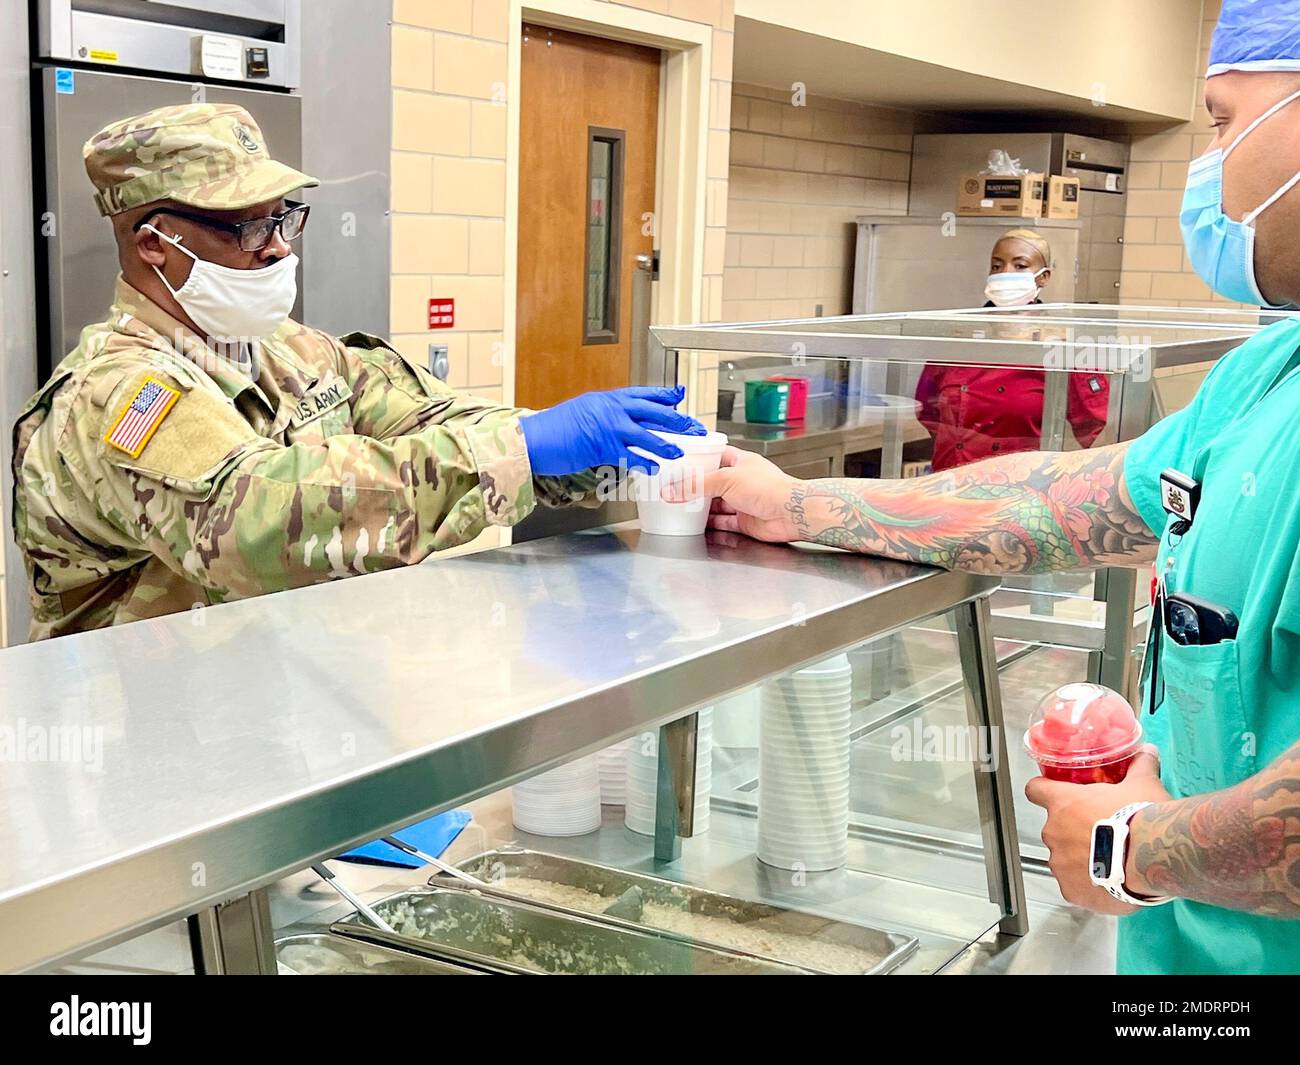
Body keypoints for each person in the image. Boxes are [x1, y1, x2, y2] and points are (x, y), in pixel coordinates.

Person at [670, 0, 1300, 975]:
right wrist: (795, 505)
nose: (1206, 170)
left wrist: (1125, 848)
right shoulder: (1266, 376)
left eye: (1220, 122)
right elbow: (1056, 499)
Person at [10, 103, 700, 640]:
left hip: (266, 710)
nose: (277, 248)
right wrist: (520, 448)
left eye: (282, 220)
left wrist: (617, 459)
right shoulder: (115, 394)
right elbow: (256, 522)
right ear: (152, 243)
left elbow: (428, 419)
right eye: (246, 228)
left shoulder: (289, 352)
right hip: (142, 758)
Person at [914, 229, 1110, 471]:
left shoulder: (1062, 348)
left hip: (1022, 491)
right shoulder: (958, 340)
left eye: (1019, 266)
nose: (1004, 274)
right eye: (996, 266)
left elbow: (1099, 430)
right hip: (949, 484)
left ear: (1044, 277)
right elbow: (928, 412)